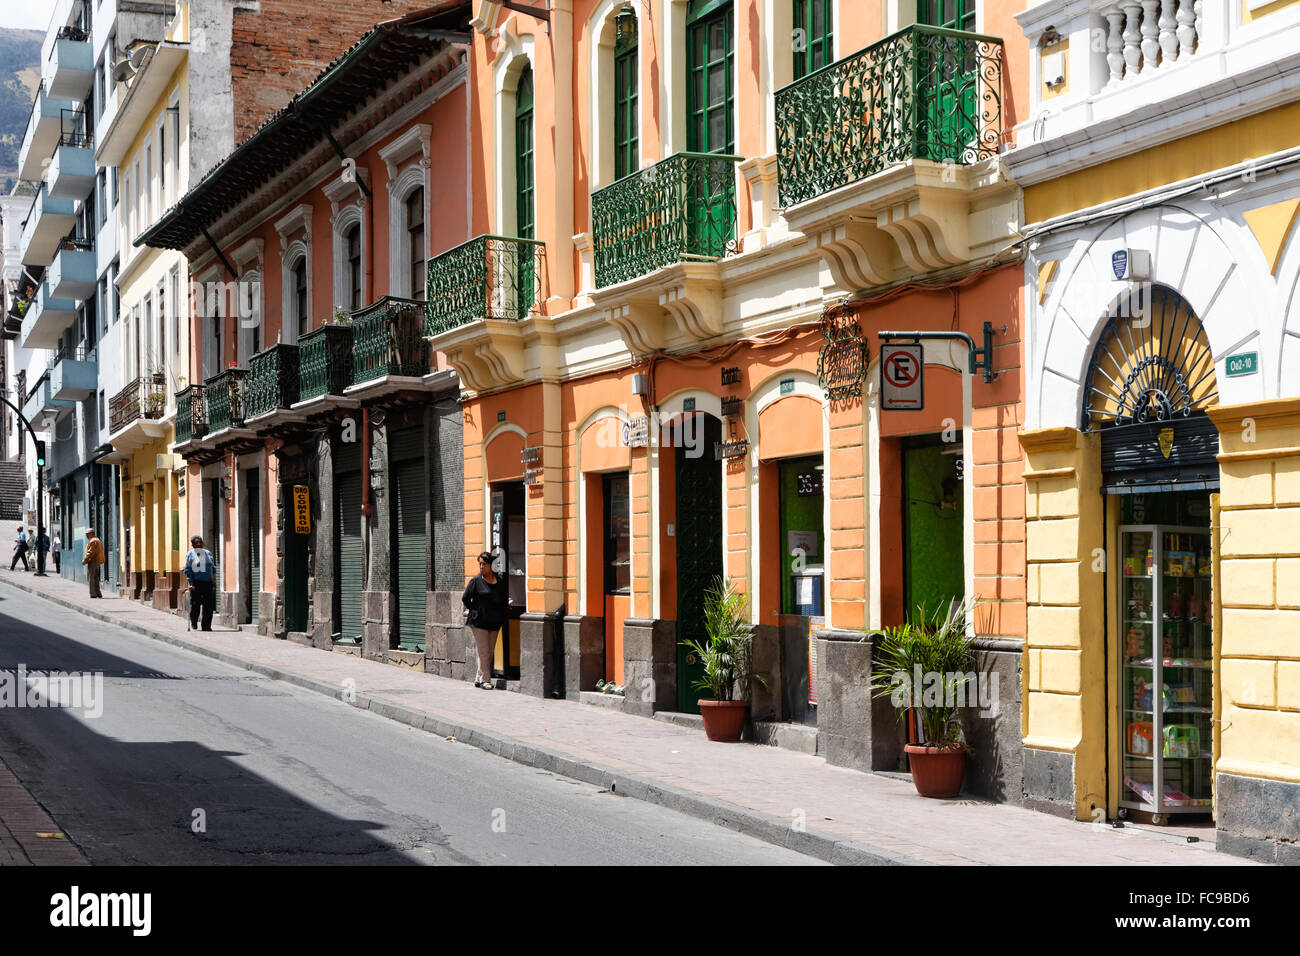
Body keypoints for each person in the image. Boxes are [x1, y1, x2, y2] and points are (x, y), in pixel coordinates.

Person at [462, 551, 508, 689]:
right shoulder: (476, 581)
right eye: (480, 564)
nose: (481, 567)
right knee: (484, 651)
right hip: (479, 622)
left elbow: (502, 599)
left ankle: (478, 677)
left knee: (490, 651)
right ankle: (485, 680)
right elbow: (465, 598)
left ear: (491, 565)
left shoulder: (499, 582)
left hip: (494, 621)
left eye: (484, 564)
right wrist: (475, 610)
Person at [182, 535, 216, 632]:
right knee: (195, 604)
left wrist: (214, 581)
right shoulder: (190, 554)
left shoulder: (208, 553)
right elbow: (187, 569)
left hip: (208, 582)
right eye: (196, 543)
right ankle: (194, 620)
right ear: (192, 545)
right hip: (196, 583)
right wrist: (190, 583)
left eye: (200, 542)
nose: (199, 544)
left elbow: (213, 568)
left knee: (208, 606)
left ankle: (206, 626)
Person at [83, 528, 105, 597]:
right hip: (97, 562)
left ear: (92, 533)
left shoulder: (93, 541)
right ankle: (98, 593)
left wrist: (85, 560)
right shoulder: (97, 540)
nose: (86, 535)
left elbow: (90, 552)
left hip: (93, 562)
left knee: (91, 578)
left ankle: (93, 594)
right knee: (96, 578)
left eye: (87, 534)